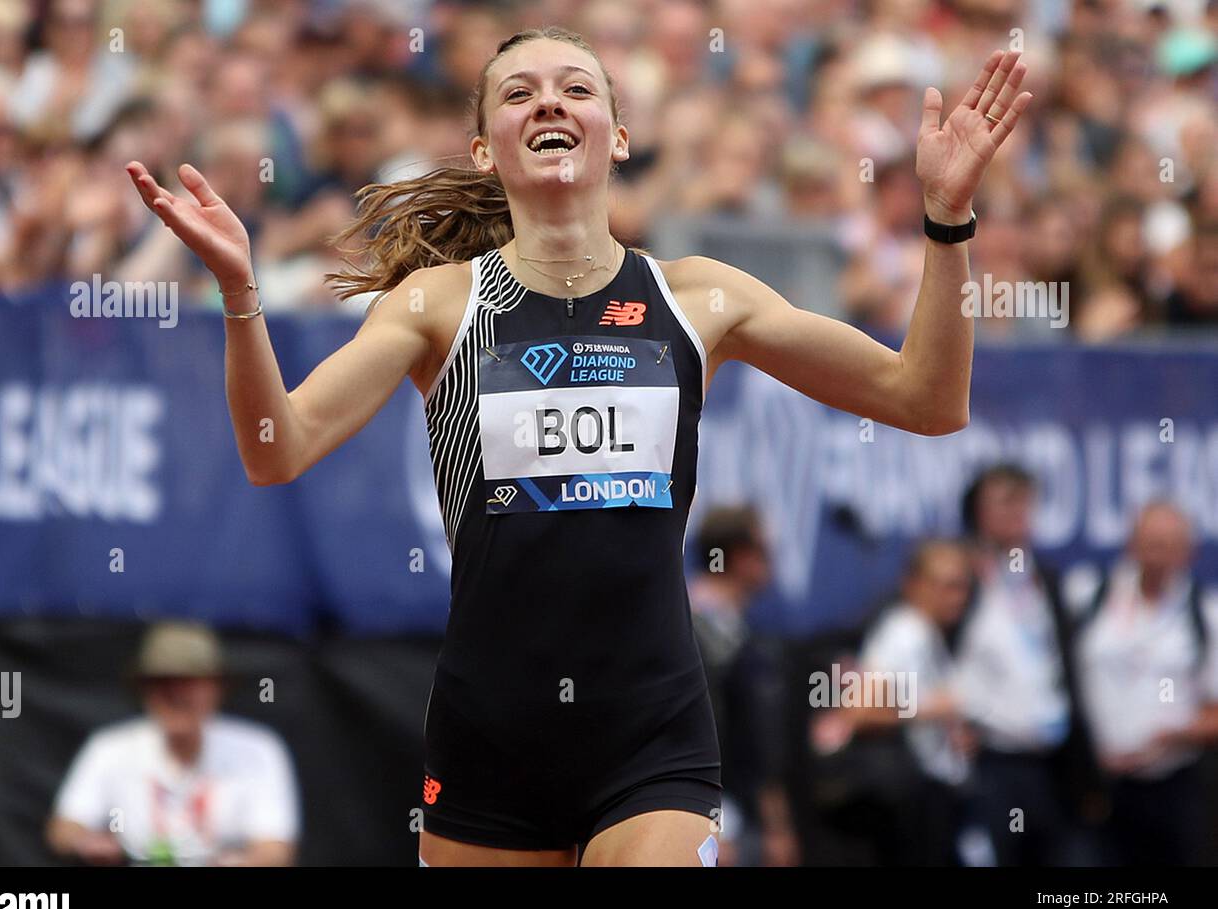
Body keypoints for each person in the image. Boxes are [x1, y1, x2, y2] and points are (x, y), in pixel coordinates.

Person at [124, 27, 1032, 866]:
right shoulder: (438, 305)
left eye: (576, 89)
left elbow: (927, 398)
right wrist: (241, 294)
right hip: (490, 737)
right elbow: (274, 450)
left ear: (619, 137)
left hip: (652, 731)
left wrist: (947, 223)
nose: (550, 103)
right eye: (519, 93)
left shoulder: (699, 298)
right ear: (485, 149)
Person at [46, 620, 300, 866]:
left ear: (217, 688)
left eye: (190, 682)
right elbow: (63, 830)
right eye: (162, 682)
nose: (177, 693)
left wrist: (243, 863)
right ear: (143, 690)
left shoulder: (258, 750)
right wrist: (87, 843)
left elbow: (276, 849)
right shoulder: (109, 748)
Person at [953, 463, 1102, 866]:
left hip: (1052, 767)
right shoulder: (959, 579)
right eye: (1004, 502)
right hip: (991, 767)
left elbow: (1067, 676)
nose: (1017, 512)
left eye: (1024, 501)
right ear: (977, 514)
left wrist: (1085, 767)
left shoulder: (1047, 583)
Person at [1072, 501, 1218, 865]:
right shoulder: (1090, 596)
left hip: (1172, 783)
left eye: (1170, 545)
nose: (1159, 556)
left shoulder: (1205, 613)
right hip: (1095, 786)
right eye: (1151, 543)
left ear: (1189, 552)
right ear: (1131, 544)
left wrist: (1173, 735)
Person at [849, 538, 977, 865]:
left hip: (939, 796)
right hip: (917, 801)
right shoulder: (903, 632)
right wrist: (934, 708)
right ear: (913, 584)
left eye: (963, 587)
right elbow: (860, 711)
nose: (957, 598)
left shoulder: (927, 633)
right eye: (946, 586)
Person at [688, 505, 799, 866]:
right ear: (741, 556)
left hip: (741, 818)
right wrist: (713, 824)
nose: (772, 561)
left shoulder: (737, 631)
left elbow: (759, 745)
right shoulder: (691, 631)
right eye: (766, 550)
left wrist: (775, 824)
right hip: (711, 822)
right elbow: (695, 738)